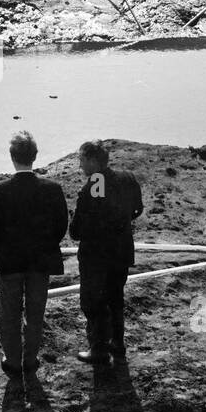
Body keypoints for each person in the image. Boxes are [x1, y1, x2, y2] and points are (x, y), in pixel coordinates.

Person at [0, 131, 68, 378]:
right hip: (40, 261)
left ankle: (12, 361)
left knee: (9, 313)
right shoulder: (52, 188)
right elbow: (61, 225)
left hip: (10, 261)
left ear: (12, 157)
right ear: (35, 156)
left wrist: (2, 250)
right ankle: (30, 359)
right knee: (35, 312)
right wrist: (47, 245)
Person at [69, 140, 143, 367]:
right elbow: (137, 209)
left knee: (93, 301)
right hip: (121, 251)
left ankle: (98, 349)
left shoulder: (92, 186)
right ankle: (118, 344)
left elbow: (77, 231)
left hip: (96, 257)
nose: (80, 166)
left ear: (92, 161)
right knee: (115, 297)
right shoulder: (127, 178)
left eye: (81, 161)